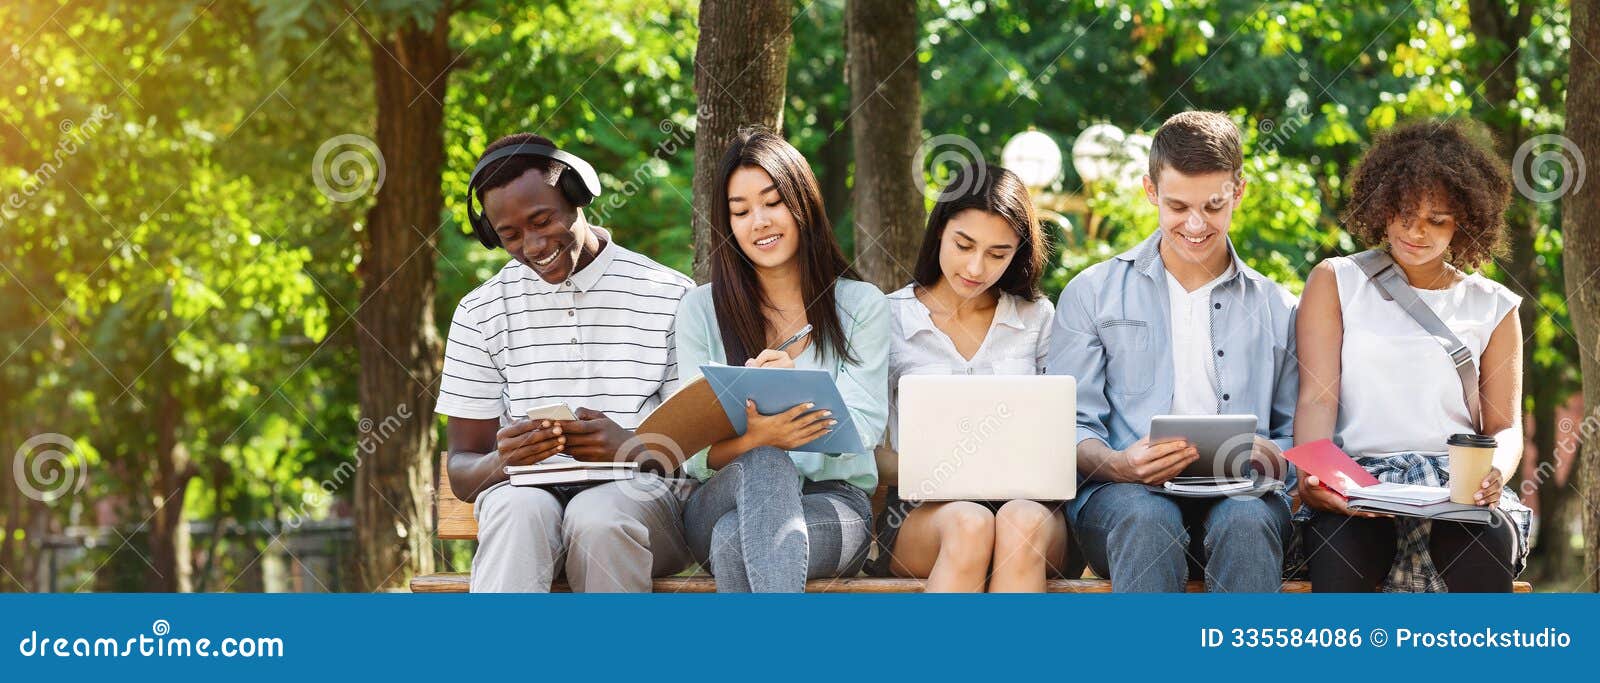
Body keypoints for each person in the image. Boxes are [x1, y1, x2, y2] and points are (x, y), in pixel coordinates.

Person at [1048, 111, 1298, 592]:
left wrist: (1277, 457)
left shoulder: (1278, 306)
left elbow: (1299, 433)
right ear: (1150, 191)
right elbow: (1070, 424)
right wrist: (1118, 464)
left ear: (1238, 192)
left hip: (1244, 498)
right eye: (1178, 206)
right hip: (1122, 497)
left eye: (1213, 205)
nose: (1196, 224)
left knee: (1244, 523)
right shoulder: (1092, 293)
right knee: (1148, 520)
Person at [437, 133, 698, 593]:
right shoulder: (479, 312)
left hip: (643, 505)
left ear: (577, 196)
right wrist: (503, 459)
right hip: (524, 501)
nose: (533, 246)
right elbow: (462, 469)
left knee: (595, 518)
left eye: (542, 220)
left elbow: (699, 451)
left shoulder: (670, 294)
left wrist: (630, 446)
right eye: (510, 235)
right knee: (520, 513)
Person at [1294, 119, 1530, 592]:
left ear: (1464, 222)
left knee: (1481, 542)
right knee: (1343, 548)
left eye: (1436, 220)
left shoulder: (1494, 305)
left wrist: (1495, 474)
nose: (1416, 231)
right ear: (1382, 204)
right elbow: (1317, 400)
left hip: (1453, 483)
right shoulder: (1336, 281)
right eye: (1404, 211)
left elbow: (1504, 427)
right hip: (1359, 479)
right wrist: (1313, 476)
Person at [673, 127, 889, 592]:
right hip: (718, 499)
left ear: (803, 204)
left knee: (736, 541)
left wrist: (789, 396)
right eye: (741, 211)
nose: (759, 221)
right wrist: (764, 438)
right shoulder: (700, 309)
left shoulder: (862, 305)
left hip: (835, 502)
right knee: (764, 462)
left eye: (773, 202)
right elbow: (692, 453)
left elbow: (864, 427)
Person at [867, 163, 1070, 592]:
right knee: (970, 522)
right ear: (940, 230)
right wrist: (942, 474)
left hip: (1028, 509)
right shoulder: (887, 317)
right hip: (924, 514)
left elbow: (1062, 434)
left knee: (1019, 523)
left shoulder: (1038, 318)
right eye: (964, 245)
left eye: (998, 254)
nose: (976, 267)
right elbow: (865, 453)